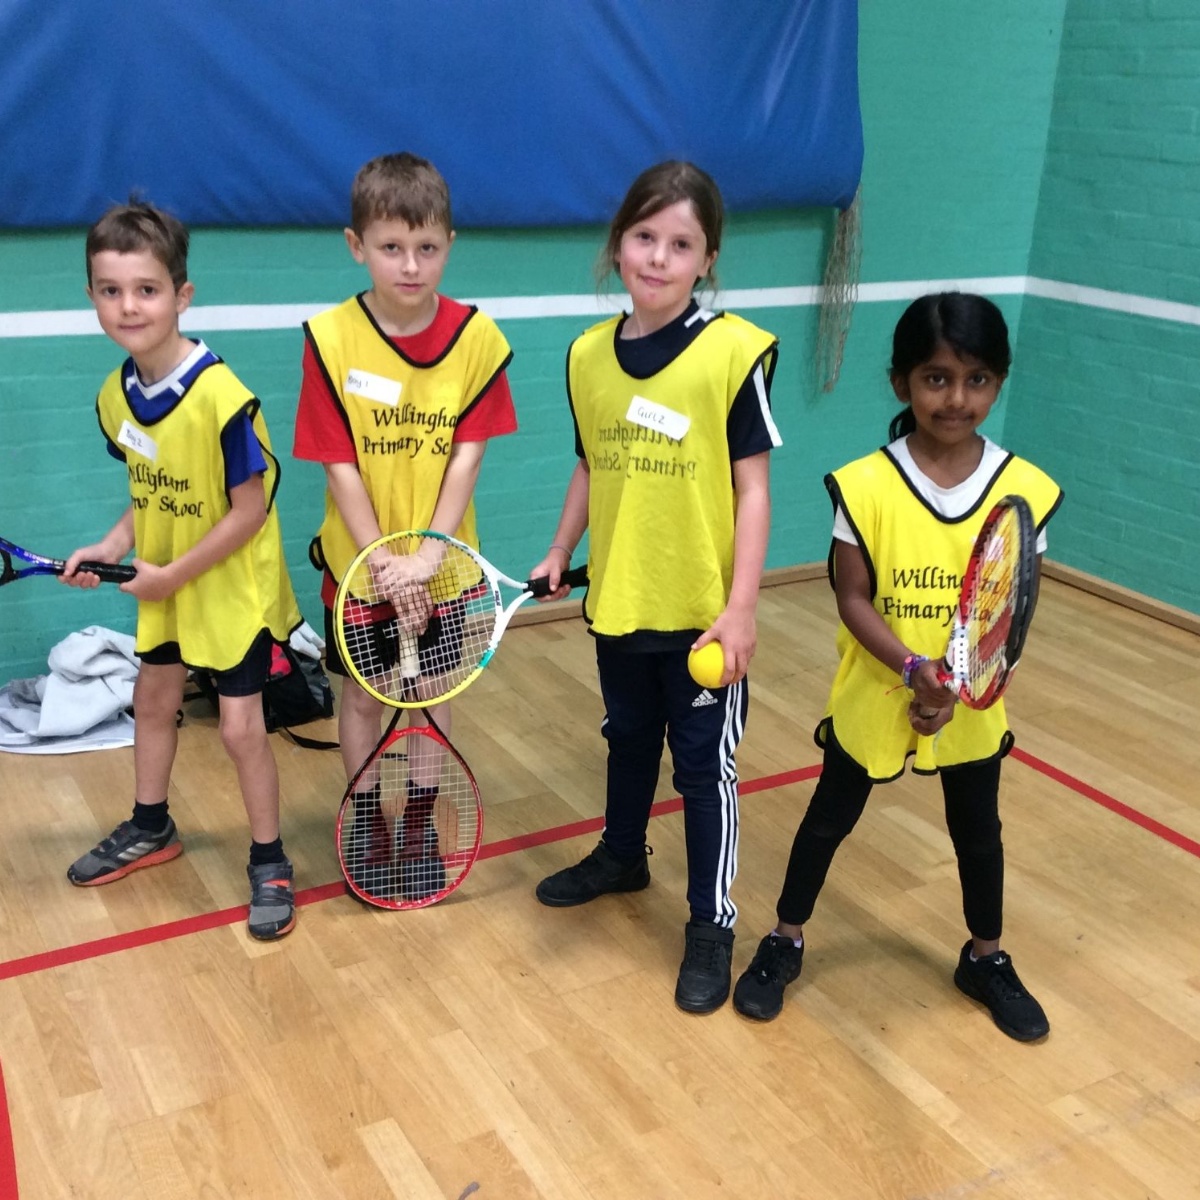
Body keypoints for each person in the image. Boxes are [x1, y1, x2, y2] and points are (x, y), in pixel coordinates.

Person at [731, 292, 1063, 1040]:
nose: (956, 397)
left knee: (979, 832)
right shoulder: (867, 484)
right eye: (936, 378)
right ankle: (784, 938)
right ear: (900, 382)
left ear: (1000, 382)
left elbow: (1013, 615)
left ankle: (986, 957)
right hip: (880, 685)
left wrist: (960, 687)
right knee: (826, 823)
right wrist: (915, 668)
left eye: (977, 379)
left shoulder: (1024, 494)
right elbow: (852, 597)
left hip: (972, 701)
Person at [530, 161, 782, 1014]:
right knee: (628, 739)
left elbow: (753, 489)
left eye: (681, 244)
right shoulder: (587, 356)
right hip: (620, 601)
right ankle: (622, 854)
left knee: (705, 773)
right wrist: (562, 545)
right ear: (618, 245)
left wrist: (741, 605)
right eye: (644, 237)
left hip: (702, 617)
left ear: (707, 259)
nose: (659, 257)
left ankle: (710, 925)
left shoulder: (732, 353)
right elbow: (590, 461)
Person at [61, 201, 303, 941]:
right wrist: (112, 543)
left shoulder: (220, 398)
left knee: (237, 728)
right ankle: (150, 825)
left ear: (182, 295)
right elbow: (149, 484)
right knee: (152, 697)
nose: (128, 306)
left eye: (146, 289)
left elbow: (248, 512)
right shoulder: (116, 395)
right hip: (165, 580)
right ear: (92, 295)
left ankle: (270, 858)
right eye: (110, 290)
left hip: (226, 586)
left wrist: (171, 576)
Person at [292, 152, 516, 899]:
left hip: (445, 567)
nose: (410, 265)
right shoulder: (329, 338)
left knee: (431, 695)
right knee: (361, 697)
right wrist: (388, 564)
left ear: (449, 242)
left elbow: (466, 459)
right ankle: (367, 814)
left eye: (427, 248)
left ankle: (420, 816)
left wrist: (426, 559)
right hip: (361, 567)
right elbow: (338, 464)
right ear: (357, 246)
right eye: (391, 248)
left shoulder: (478, 338)